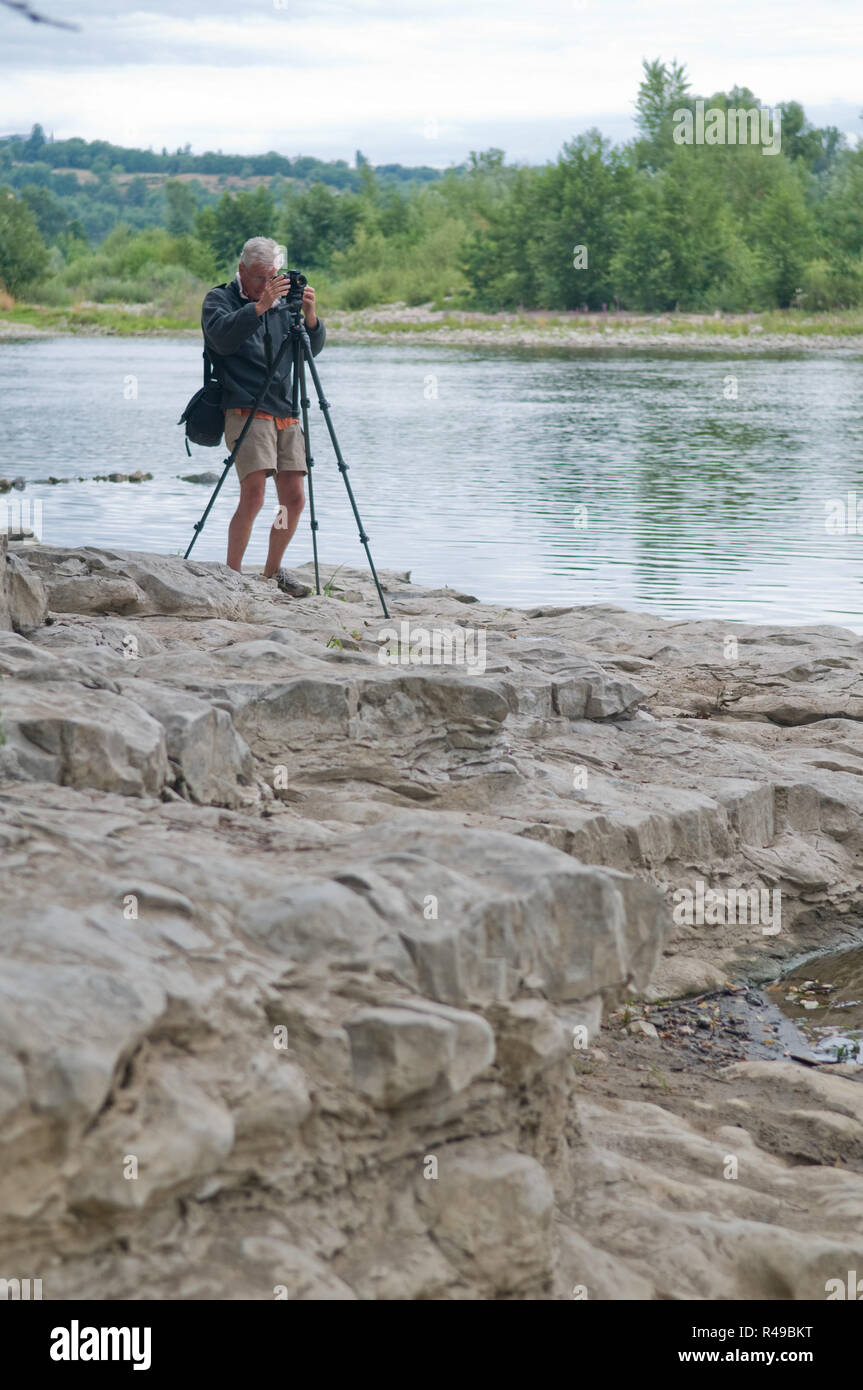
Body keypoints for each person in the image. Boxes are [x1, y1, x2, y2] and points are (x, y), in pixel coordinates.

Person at [201, 235, 326, 594]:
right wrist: (259, 308)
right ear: (241, 270)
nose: (266, 284)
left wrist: (310, 318)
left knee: (293, 500)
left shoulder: (283, 304)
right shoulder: (219, 300)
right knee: (254, 496)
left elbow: (306, 353)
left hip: (284, 408)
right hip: (245, 407)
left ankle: (272, 573)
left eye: (272, 276)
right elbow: (221, 339)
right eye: (259, 277)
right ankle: (232, 575)